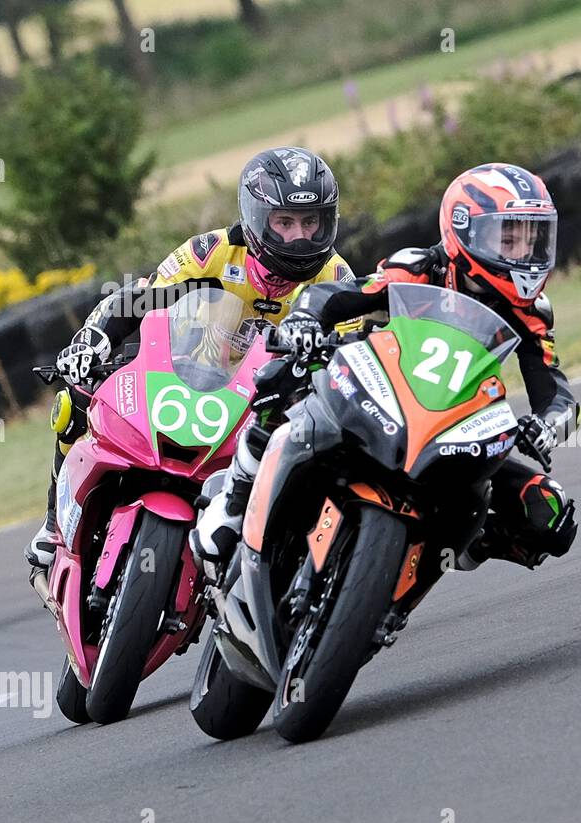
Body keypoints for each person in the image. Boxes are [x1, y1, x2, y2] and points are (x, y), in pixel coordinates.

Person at [191, 162, 579, 576]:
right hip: (373, 399)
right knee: (283, 377)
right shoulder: (418, 267)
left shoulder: (532, 313)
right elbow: (339, 295)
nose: (524, 254)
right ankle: (236, 499)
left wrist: (547, 426)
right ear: (465, 230)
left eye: (533, 239)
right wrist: (304, 320)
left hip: (452, 435)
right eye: (508, 238)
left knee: (550, 514)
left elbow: (556, 393)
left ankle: (454, 547)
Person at [25, 147, 353, 568]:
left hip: (265, 408)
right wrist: (91, 343)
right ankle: (54, 523)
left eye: (311, 223)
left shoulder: (337, 278)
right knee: (78, 393)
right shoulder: (209, 251)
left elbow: (347, 359)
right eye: (284, 222)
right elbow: (139, 299)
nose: (299, 237)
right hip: (186, 377)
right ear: (256, 217)